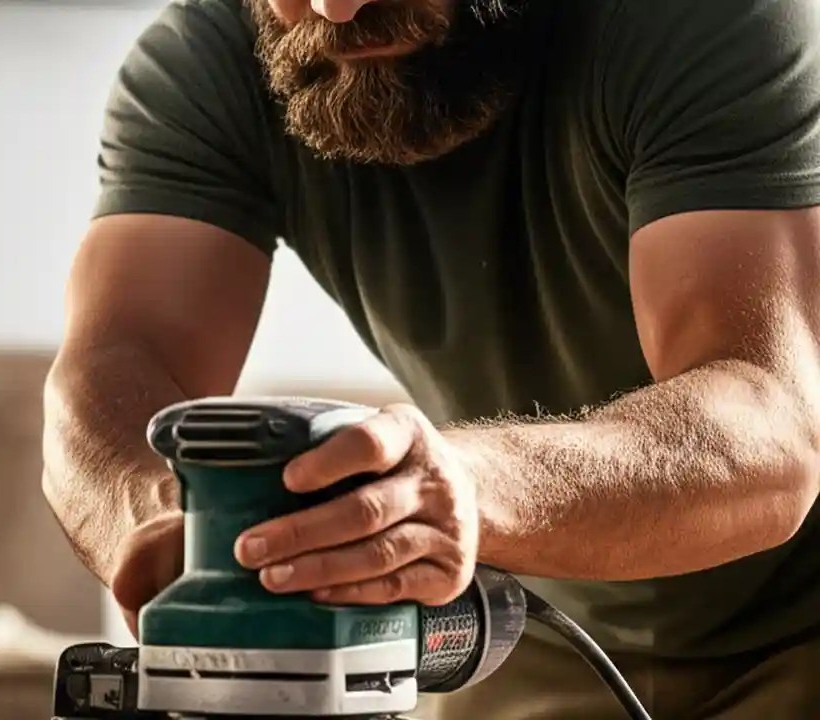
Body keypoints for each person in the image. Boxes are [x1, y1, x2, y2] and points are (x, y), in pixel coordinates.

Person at [40, 0, 820, 717]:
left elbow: (769, 429)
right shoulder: (206, 63)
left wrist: (466, 489)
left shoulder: (702, 21)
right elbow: (114, 361)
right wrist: (163, 518)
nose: (334, 7)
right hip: (539, 628)